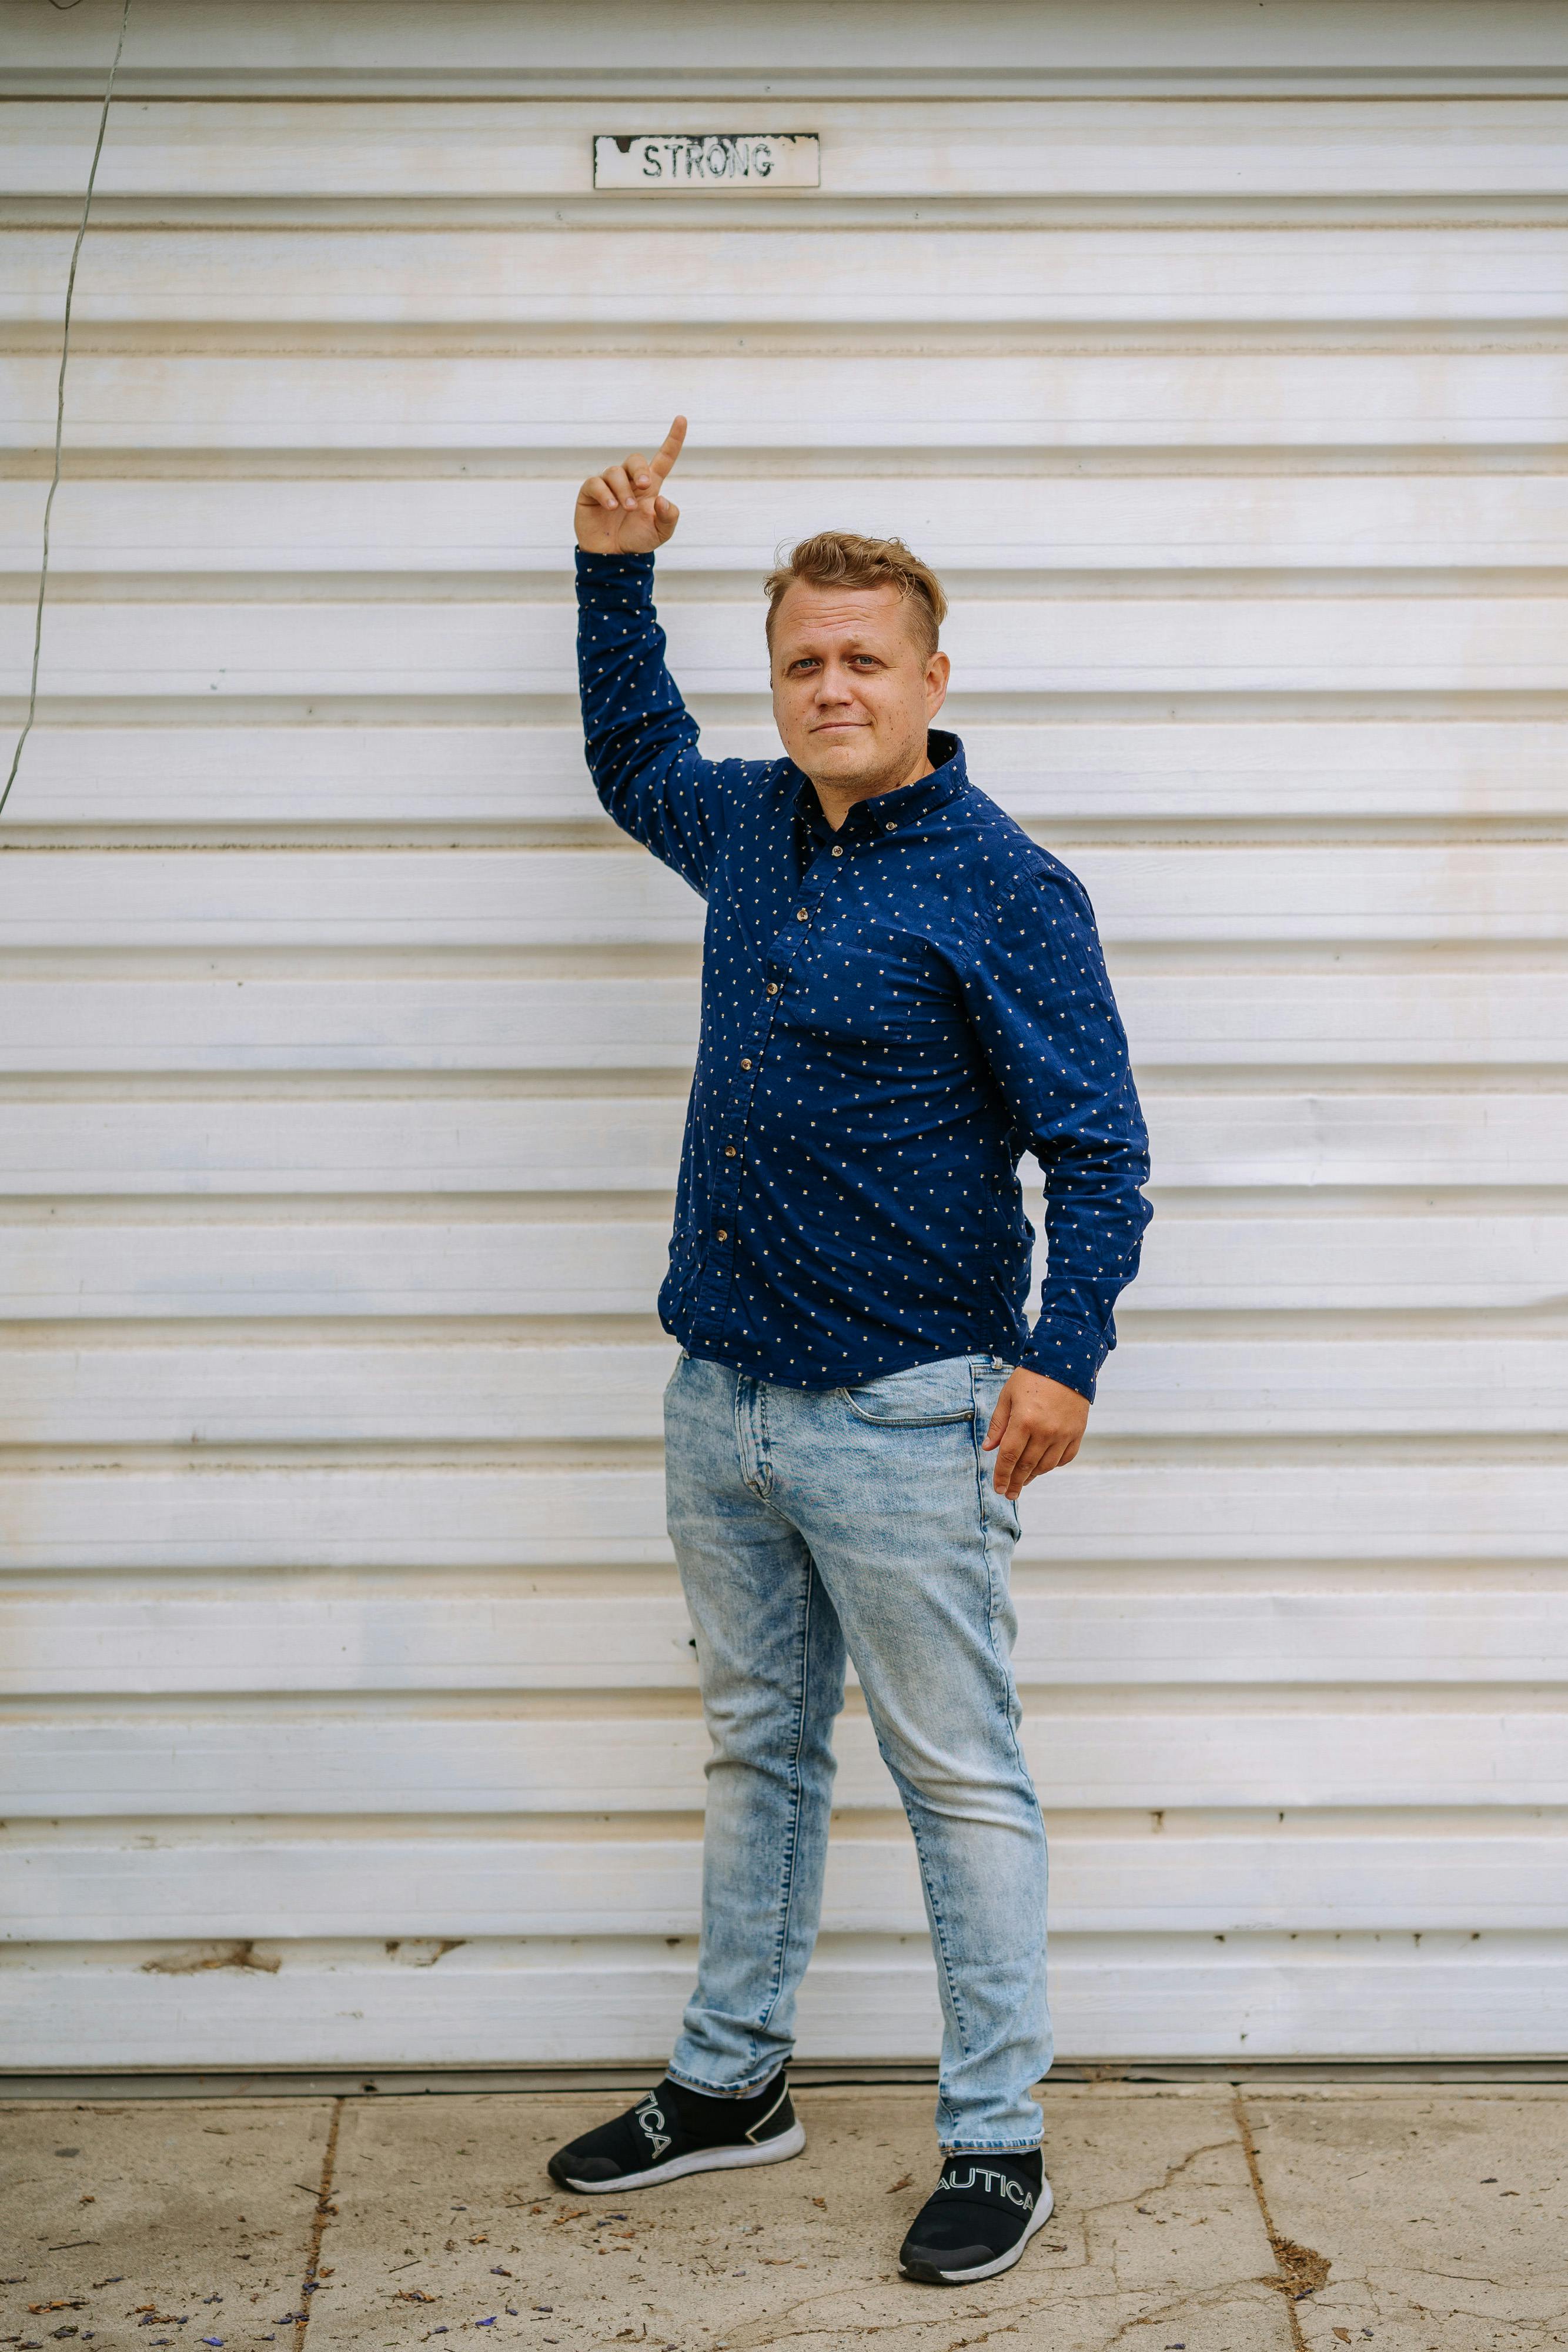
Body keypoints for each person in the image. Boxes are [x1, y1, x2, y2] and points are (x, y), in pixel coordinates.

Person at [547, 417, 1151, 2286]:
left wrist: (1061, 1360)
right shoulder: (740, 823)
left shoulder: (1002, 885)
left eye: (862, 657)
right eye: (802, 656)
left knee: (958, 1775)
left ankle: (996, 2137)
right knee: (755, 1752)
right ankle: (733, 2085)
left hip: (904, 1409)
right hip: (717, 1392)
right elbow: (632, 751)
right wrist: (611, 572)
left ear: (930, 678)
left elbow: (1102, 1149)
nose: (829, 684)